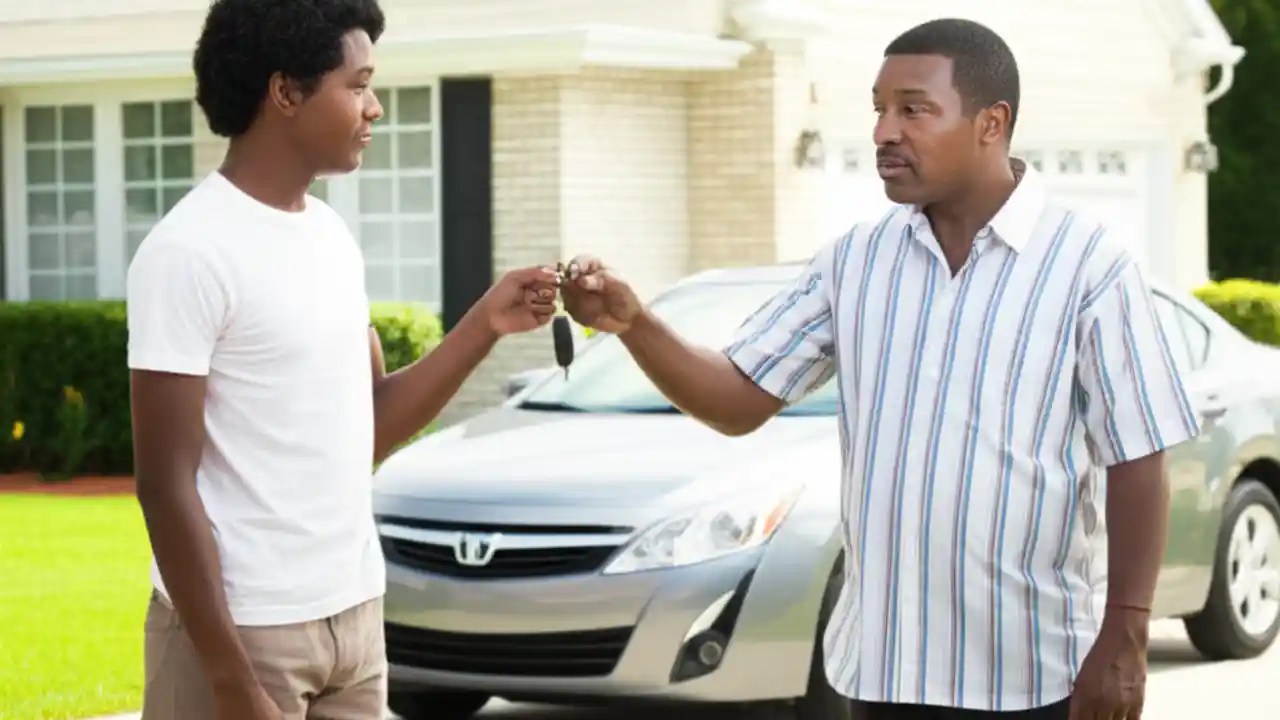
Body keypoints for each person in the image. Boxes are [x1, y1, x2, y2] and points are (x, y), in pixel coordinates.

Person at [560, 17, 1198, 720]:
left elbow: (1138, 458)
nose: (883, 131)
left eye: (913, 109)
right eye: (878, 109)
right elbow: (737, 399)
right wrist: (634, 325)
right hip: (883, 669)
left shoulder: (1088, 265)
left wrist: (1126, 633)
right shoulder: (854, 261)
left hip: (1034, 673)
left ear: (992, 122)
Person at [125, 1, 560, 718]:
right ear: (285, 93)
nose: (376, 108)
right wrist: (232, 682)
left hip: (353, 622)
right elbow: (164, 486)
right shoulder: (187, 253)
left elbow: (369, 428)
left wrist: (484, 323)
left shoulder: (329, 236)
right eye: (357, 85)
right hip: (240, 634)